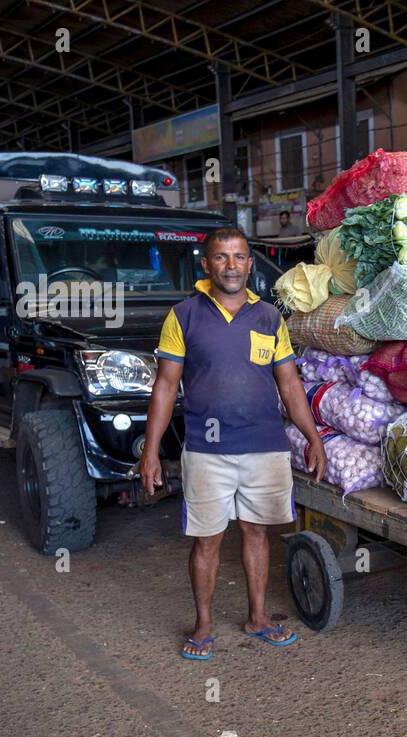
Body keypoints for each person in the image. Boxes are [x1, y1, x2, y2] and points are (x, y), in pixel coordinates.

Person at [140, 227, 327, 661]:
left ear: (250, 264)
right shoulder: (183, 315)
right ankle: (203, 624)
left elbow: (289, 384)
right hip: (207, 452)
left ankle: (258, 618)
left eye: (240, 257)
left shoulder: (268, 317)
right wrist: (150, 451)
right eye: (221, 258)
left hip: (264, 445)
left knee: (257, 532)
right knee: (207, 539)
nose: (231, 265)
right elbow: (165, 387)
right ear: (206, 265)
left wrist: (312, 435)